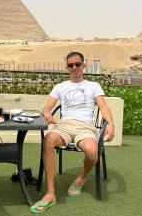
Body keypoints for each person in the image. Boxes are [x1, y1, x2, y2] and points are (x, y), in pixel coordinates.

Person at [31, 51, 115, 213]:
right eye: (71, 65)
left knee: (92, 151)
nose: (75, 67)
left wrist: (111, 124)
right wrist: (47, 113)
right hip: (65, 126)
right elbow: (47, 108)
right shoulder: (60, 87)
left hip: (86, 127)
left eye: (78, 64)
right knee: (48, 140)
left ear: (83, 65)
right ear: (67, 68)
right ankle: (50, 194)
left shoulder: (93, 86)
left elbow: (103, 107)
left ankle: (81, 178)